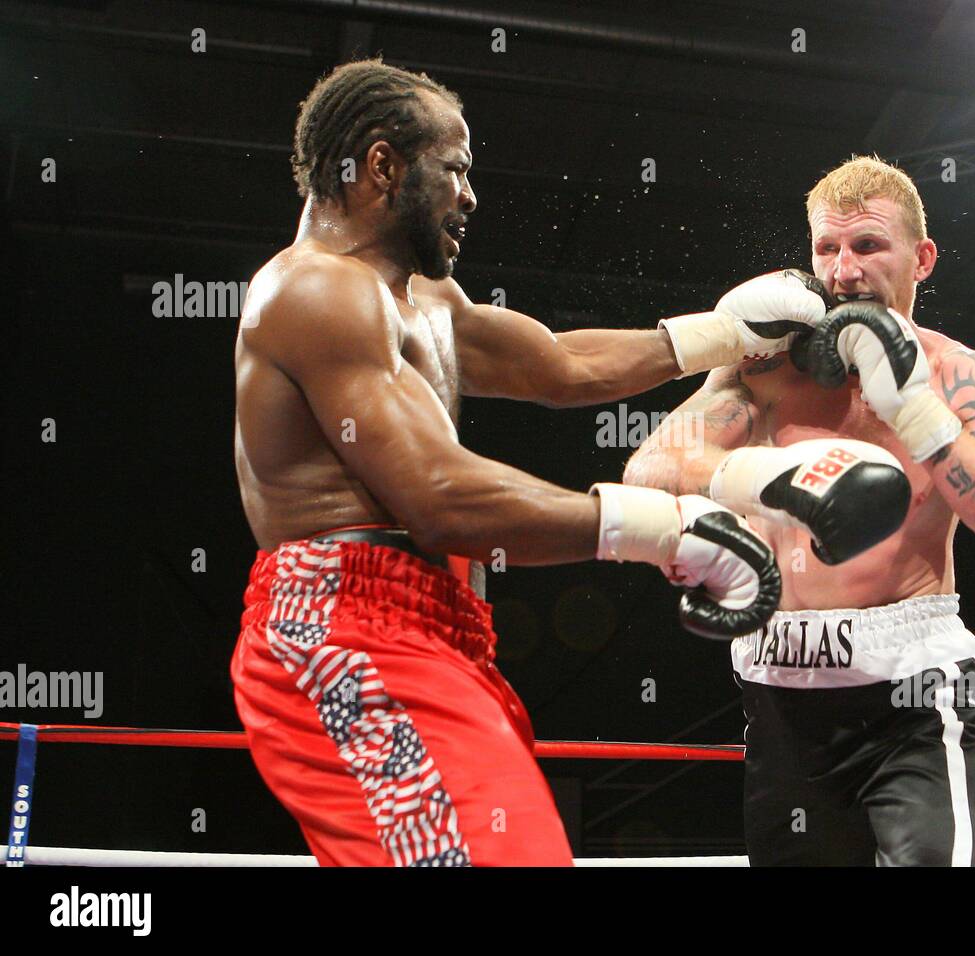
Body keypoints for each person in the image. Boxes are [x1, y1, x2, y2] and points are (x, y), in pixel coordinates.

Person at [229, 58, 861, 866]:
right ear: (382, 166)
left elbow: (562, 368)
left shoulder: (425, 302)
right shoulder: (315, 292)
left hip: (439, 626)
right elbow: (438, 497)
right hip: (343, 629)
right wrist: (665, 528)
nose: (470, 196)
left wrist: (727, 333)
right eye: (454, 170)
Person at [625, 155, 975, 866]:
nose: (843, 270)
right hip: (780, 696)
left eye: (867, 246)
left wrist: (917, 414)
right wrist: (775, 475)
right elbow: (649, 473)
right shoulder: (766, 369)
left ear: (921, 259)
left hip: (915, 700)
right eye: (826, 249)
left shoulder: (959, 375)